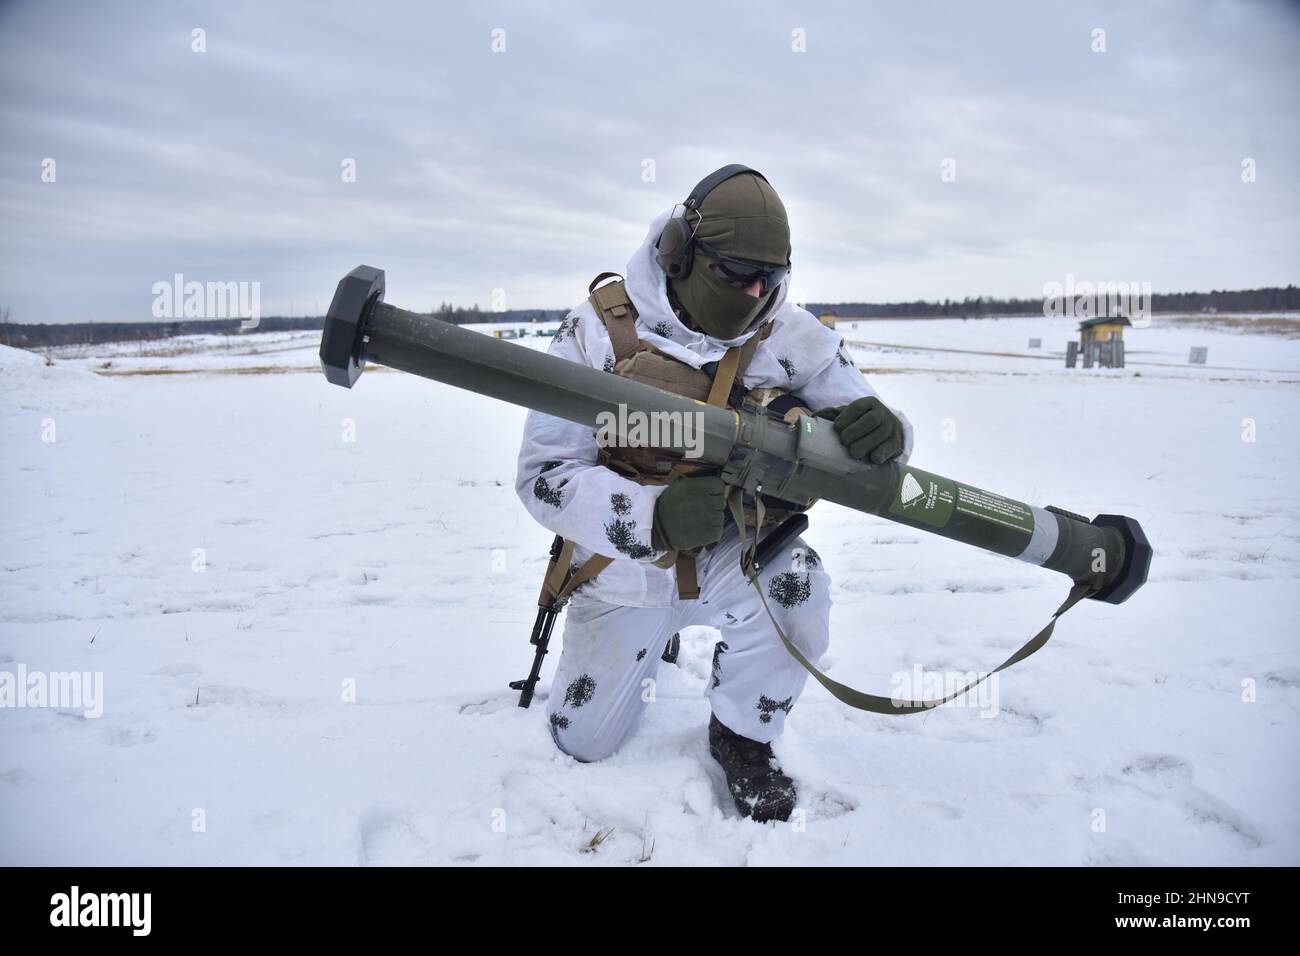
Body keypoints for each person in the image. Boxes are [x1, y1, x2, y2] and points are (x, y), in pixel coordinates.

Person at [514, 165, 913, 822]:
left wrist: (889, 432)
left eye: (771, 278)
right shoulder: (596, 332)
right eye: (735, 273)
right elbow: (544, 478)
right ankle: (650, 645)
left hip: (736, 555)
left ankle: (741, 735)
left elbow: (868, 437)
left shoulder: (794, 338)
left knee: (800, 596)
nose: (756, 293)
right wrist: (650, 519)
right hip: (621, 567)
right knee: (582, 743)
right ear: (679, 253)